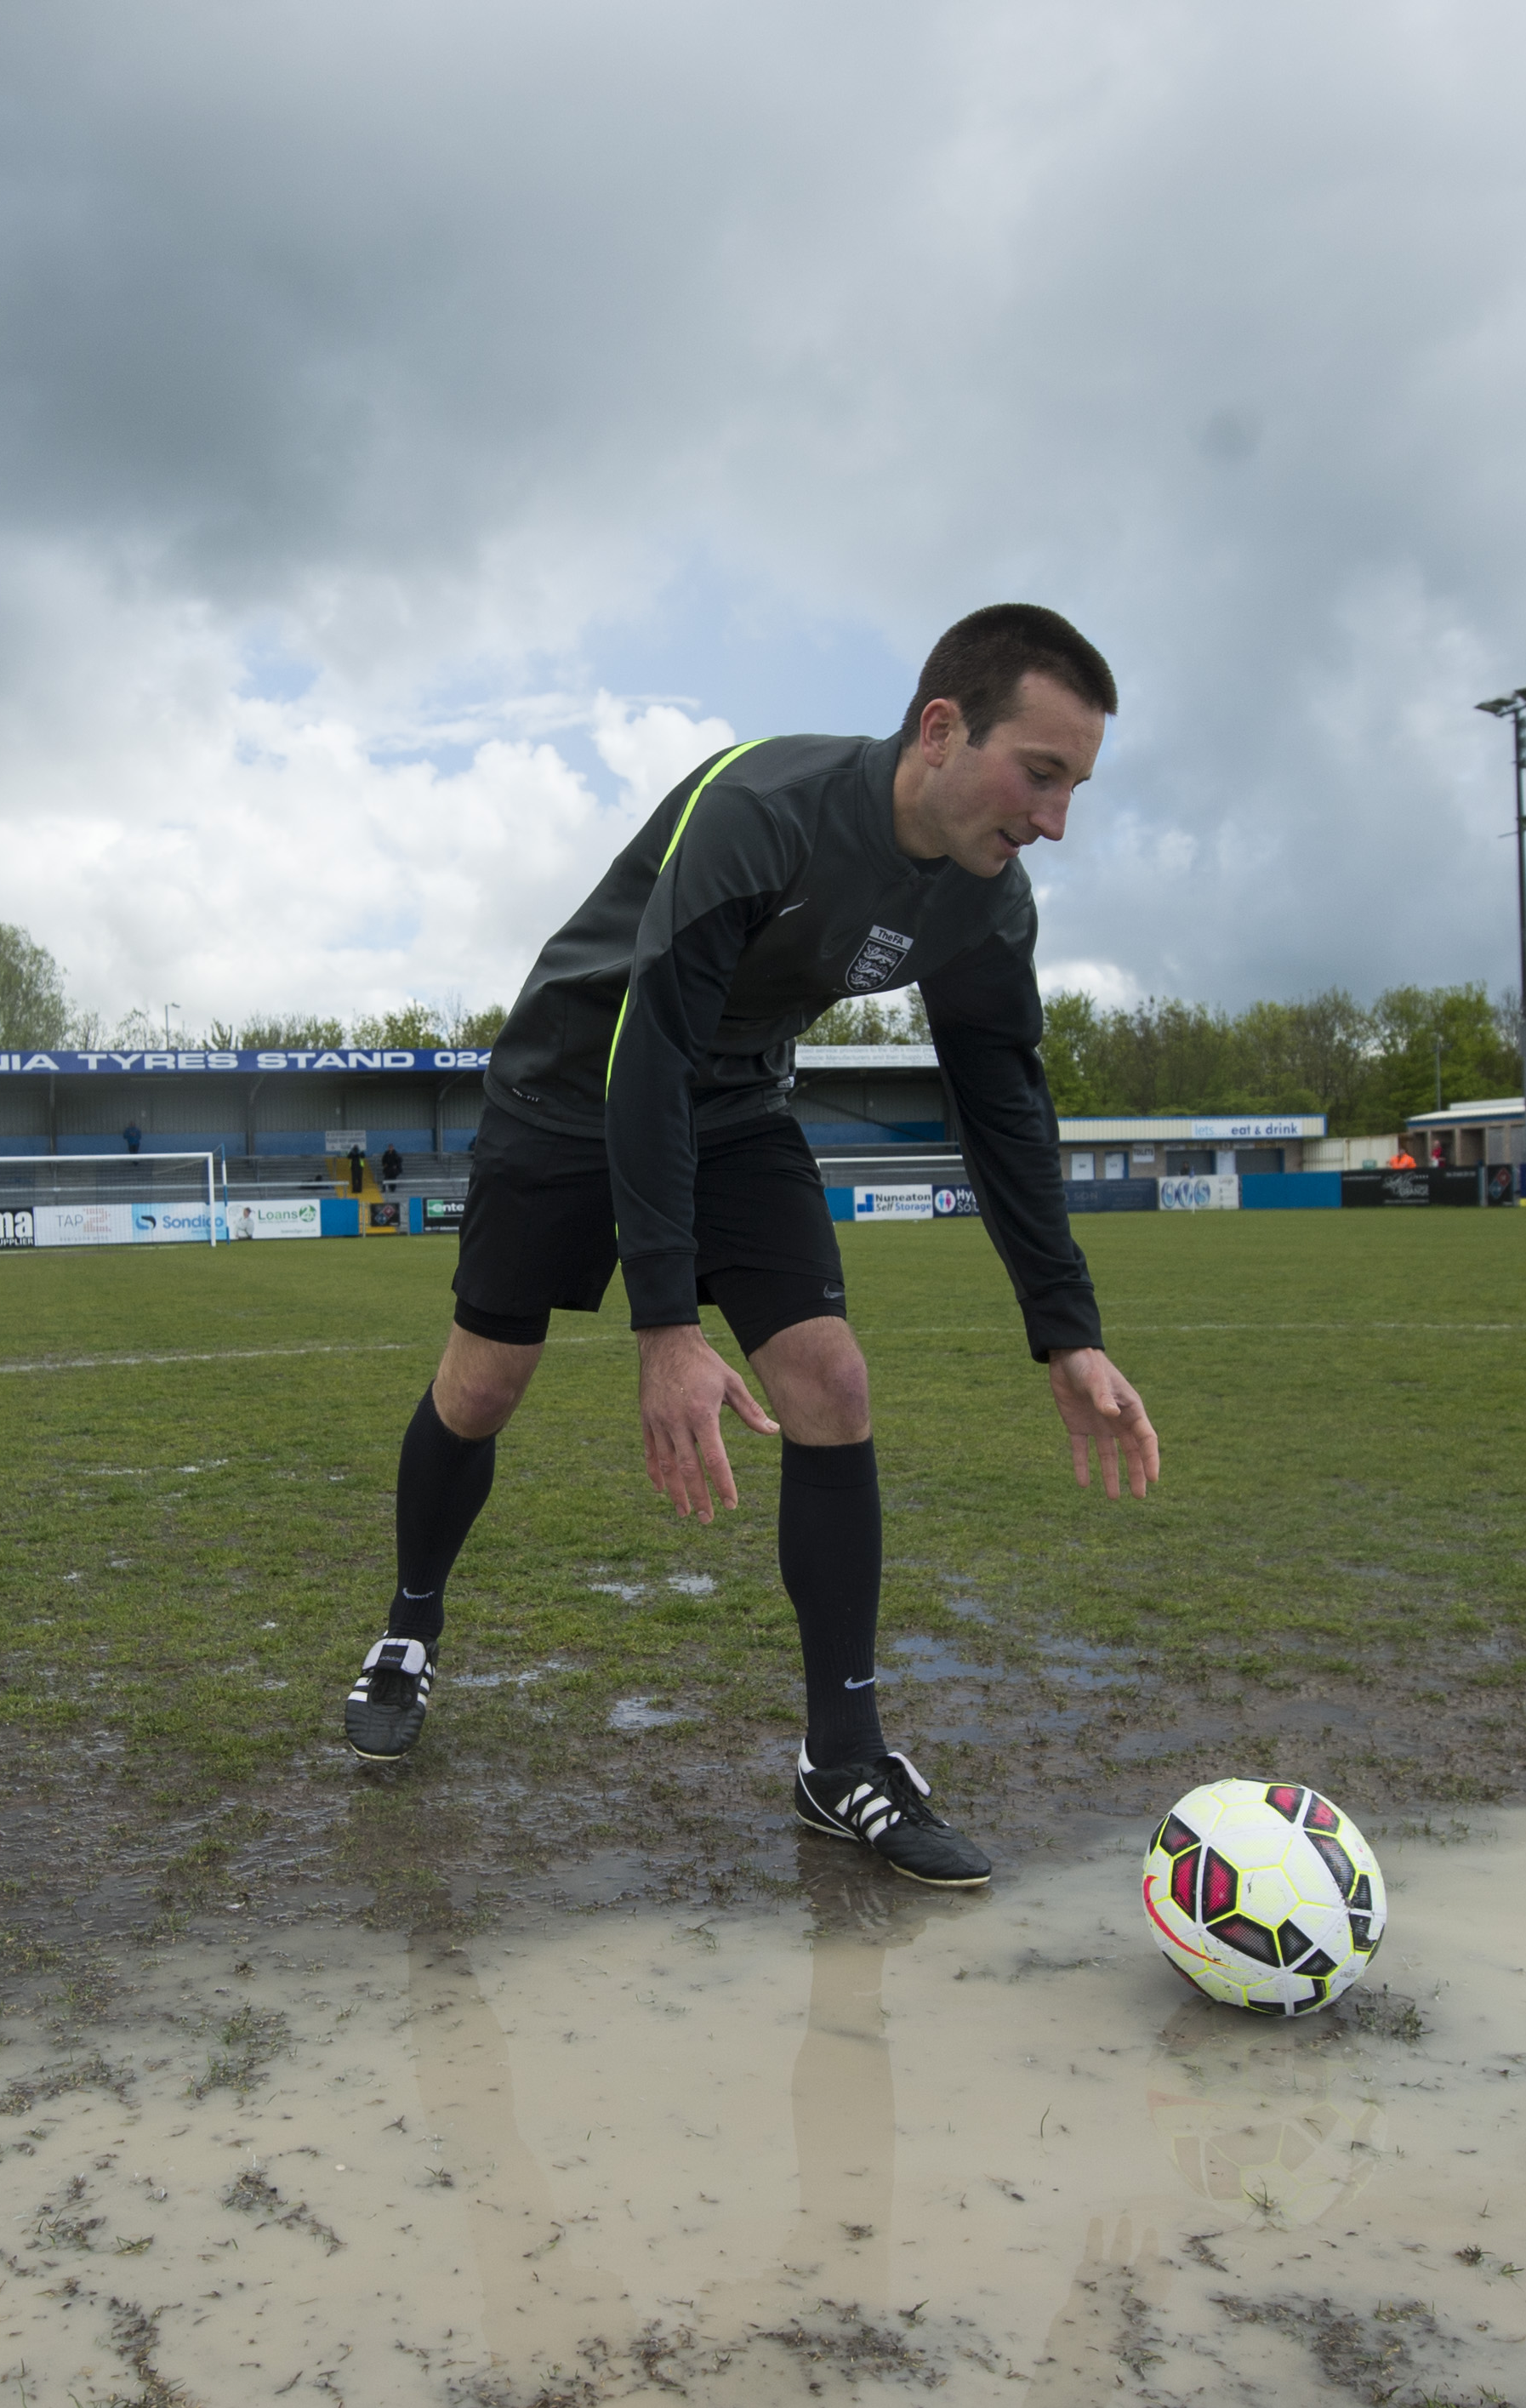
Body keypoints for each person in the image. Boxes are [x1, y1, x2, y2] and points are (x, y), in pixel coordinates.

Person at [335, 604, 1159, 1888]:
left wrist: (1068, 1329)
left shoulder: (985, 900)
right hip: (570, 1088)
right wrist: (668, 1325)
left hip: (734, 1104)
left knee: (831, 1382)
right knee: (483, 1385)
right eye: (1039, 772)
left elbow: (1004, 1096)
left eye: (1074, 786)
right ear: (941, 730)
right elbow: (646, 1046)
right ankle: (409, 1627)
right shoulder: (764, 807)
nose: (1054, 818)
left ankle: (844, 1757)